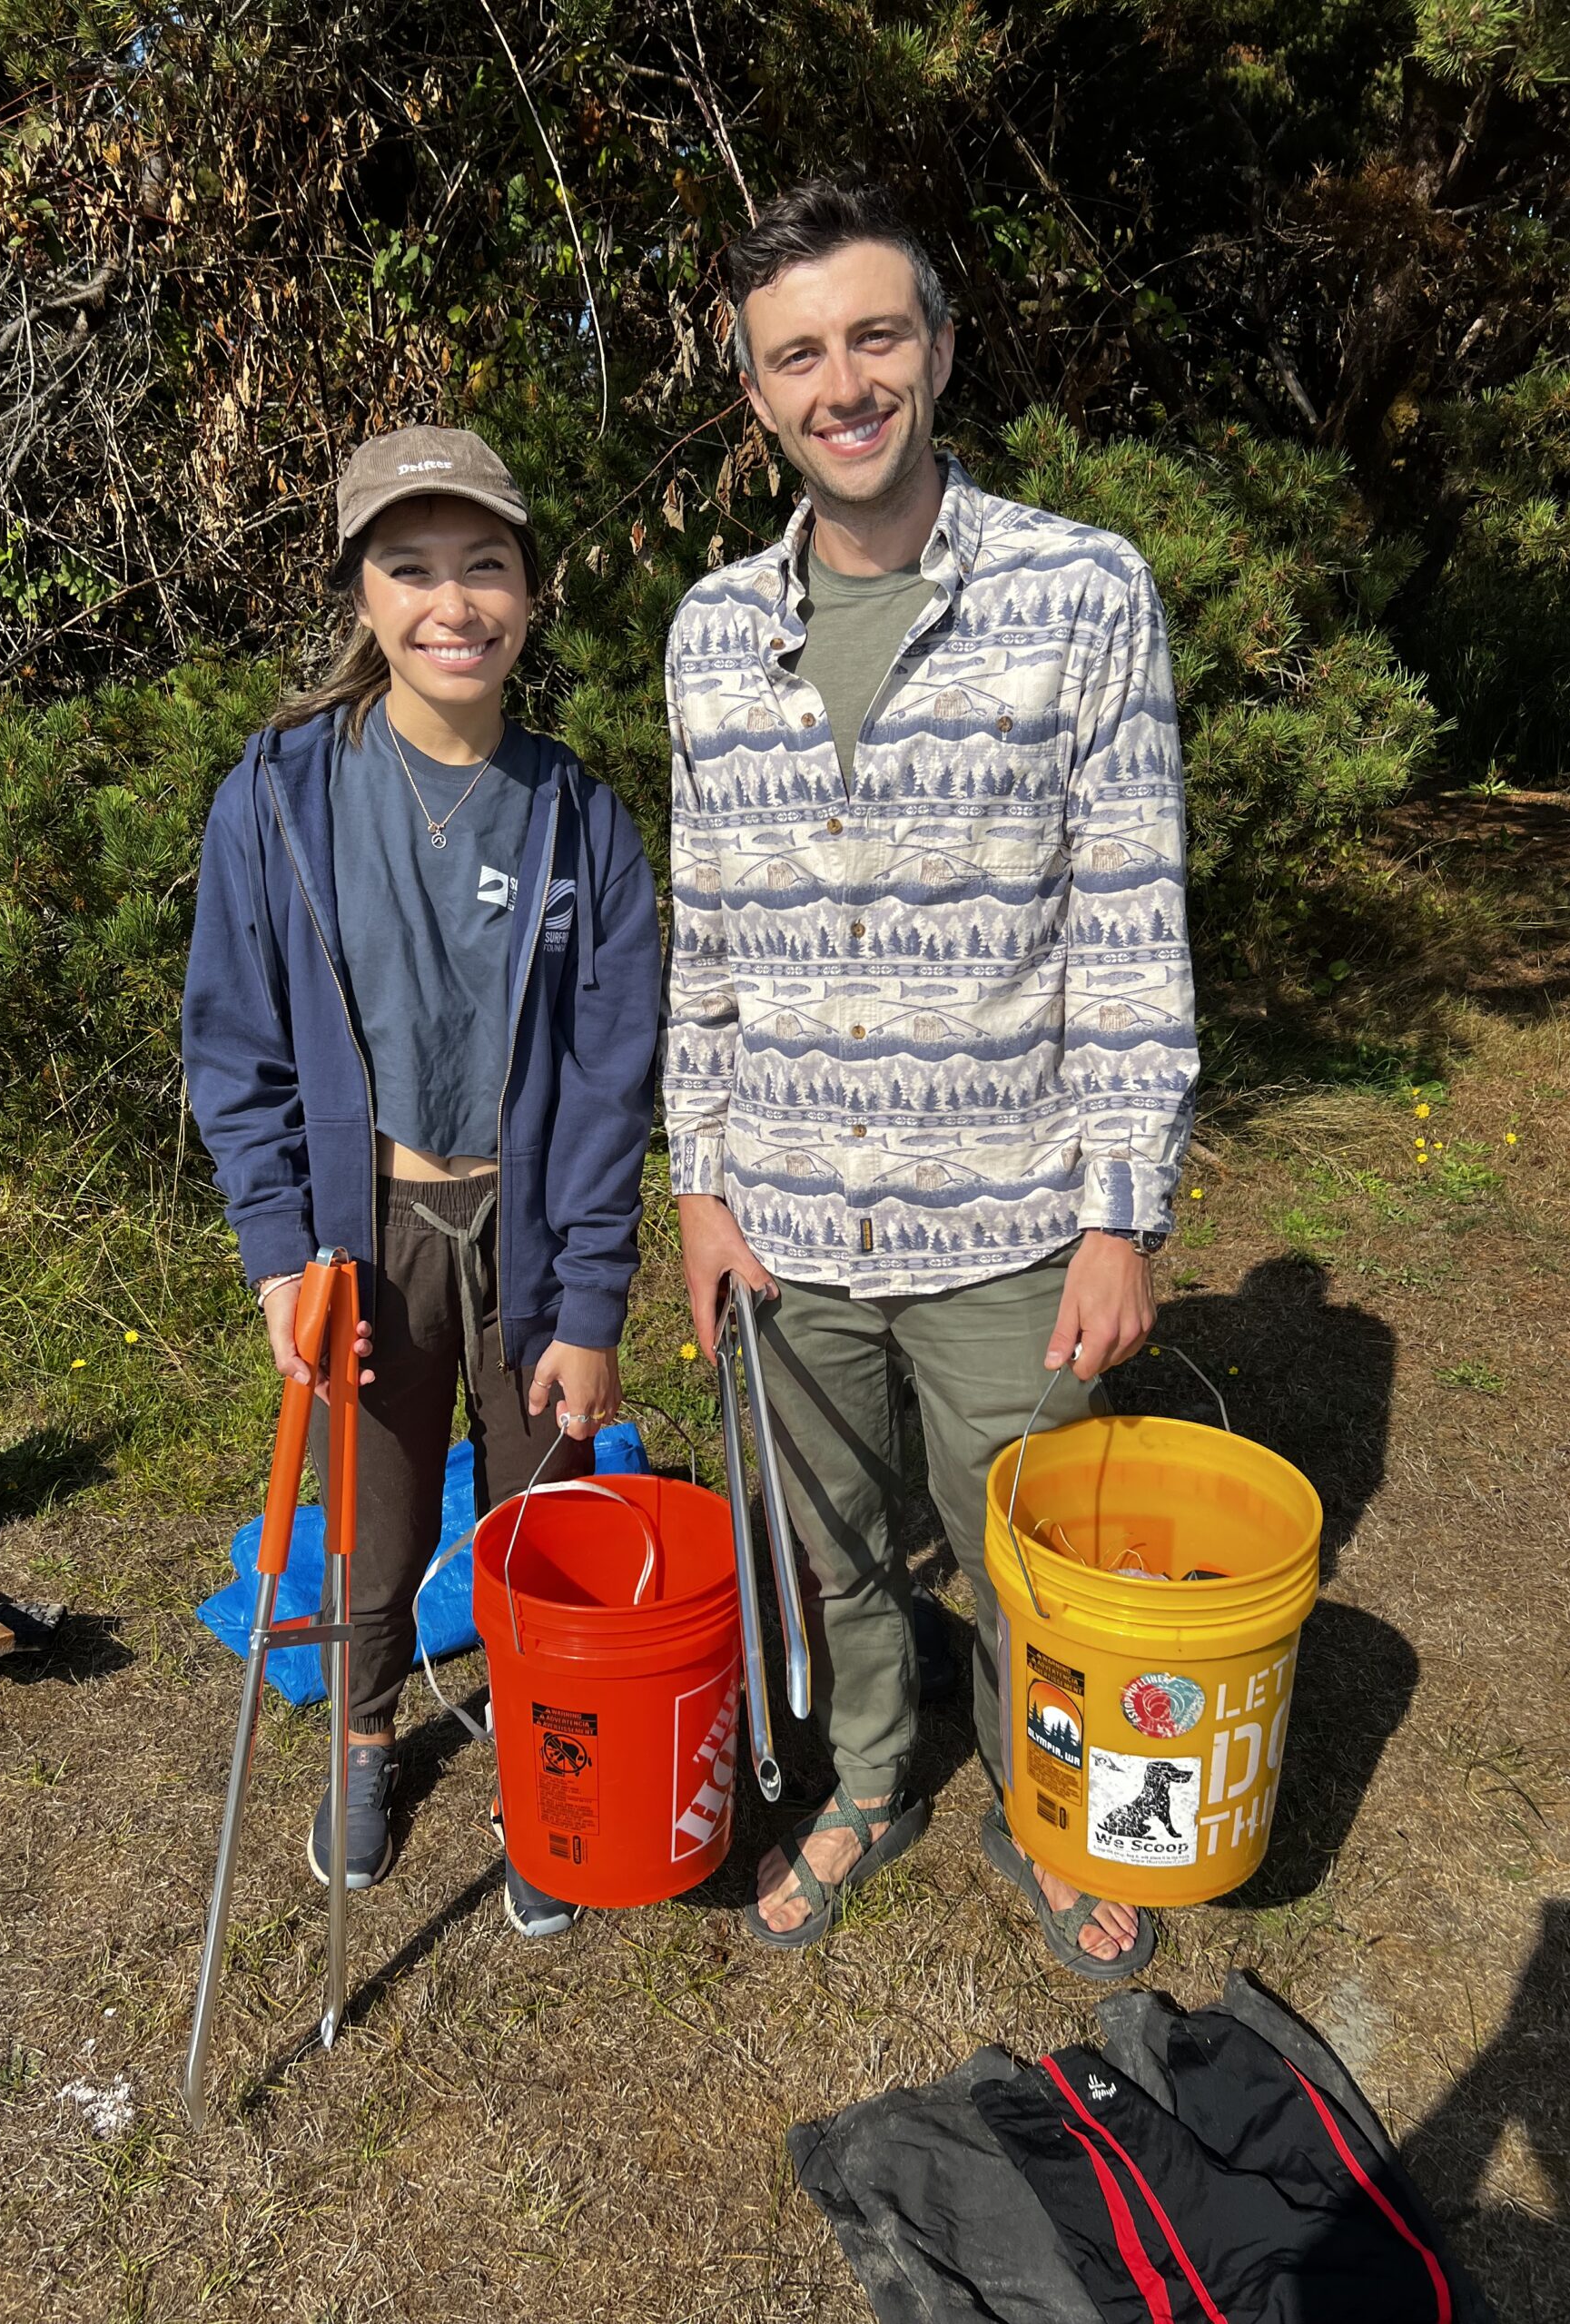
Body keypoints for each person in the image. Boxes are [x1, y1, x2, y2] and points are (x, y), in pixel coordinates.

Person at [663, 182, 1199, 1974]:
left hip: (1010, 1211)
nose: (845, 381)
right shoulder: (708, 636)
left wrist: (1121, 1208)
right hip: (796, 1205)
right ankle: (876, 1773)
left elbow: (1130, 925)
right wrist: (704, 1183)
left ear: (942, 349)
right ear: (754, 393)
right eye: (798, 353)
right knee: (829, 1540)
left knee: (1037, 1547)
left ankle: (1055, 1808)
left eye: (876, 335)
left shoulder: (1082, 593)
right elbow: (705, 939)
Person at [183, 425, 660, 1935]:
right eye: (411, 568)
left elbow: (608, 1077)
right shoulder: (278, 798)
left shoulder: (579, 815)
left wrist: (587, 1296)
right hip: (363, 1233)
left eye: (485, 566)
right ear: (361, 594)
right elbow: (237, 1043)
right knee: (371, 1522)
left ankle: (541, 1770)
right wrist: (280, 1254)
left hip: (525, 1232)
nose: (451, 604)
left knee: (541, 1520)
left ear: (530, 592)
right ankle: (370, 1740)